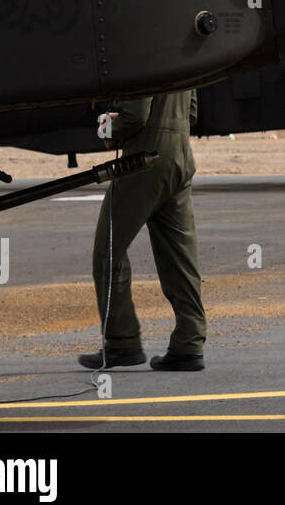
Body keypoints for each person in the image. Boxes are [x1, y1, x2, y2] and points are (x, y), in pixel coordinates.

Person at [78, 89, 208, 372]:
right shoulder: (179, 45)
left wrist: (108, 126)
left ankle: (122, 342)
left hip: (146, 158)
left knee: (108, 250)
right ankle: (189, 343)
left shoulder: (137, 45)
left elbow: (136, 115)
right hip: (181, 156)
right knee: (180, 258)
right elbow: (193, 112)